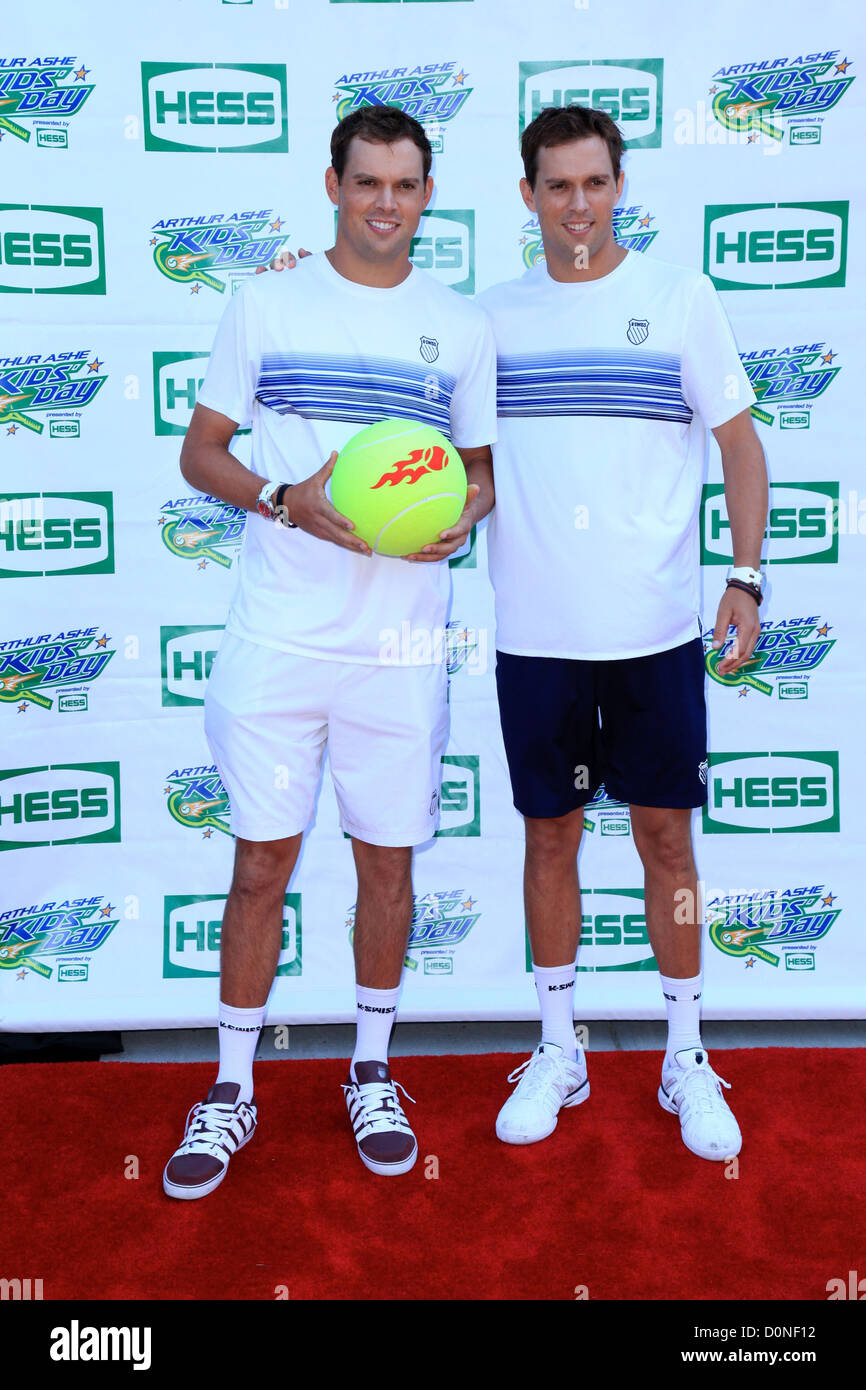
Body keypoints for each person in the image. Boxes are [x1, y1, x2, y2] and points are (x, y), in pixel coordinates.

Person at [162, 106, 497, 1197]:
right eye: (367, 184)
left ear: (427, 194)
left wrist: (466, 513)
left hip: (400, 644)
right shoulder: (264, 299)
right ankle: (228, 1086)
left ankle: (368, 1066)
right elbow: (200, 454)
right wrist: (283, 498)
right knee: (260, 861)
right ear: (332, 183)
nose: (385, 205)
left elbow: (480, 472)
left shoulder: (458, 324)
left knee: (385, 866)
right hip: (279, 636)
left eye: (405, 186)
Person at [477, 105, 767, 1161]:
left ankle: (683, 1051)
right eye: (556, 186)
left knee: (664, 842)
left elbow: (738, 446)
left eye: (593, 183)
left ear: (619, 186)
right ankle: (559, 1045)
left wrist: (743, 577)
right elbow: (470, 471)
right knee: (548, 837)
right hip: (536, 636)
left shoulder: (678, 298)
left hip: (654, 634)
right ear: (527, 197)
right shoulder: (492, 318)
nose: (577, 204)